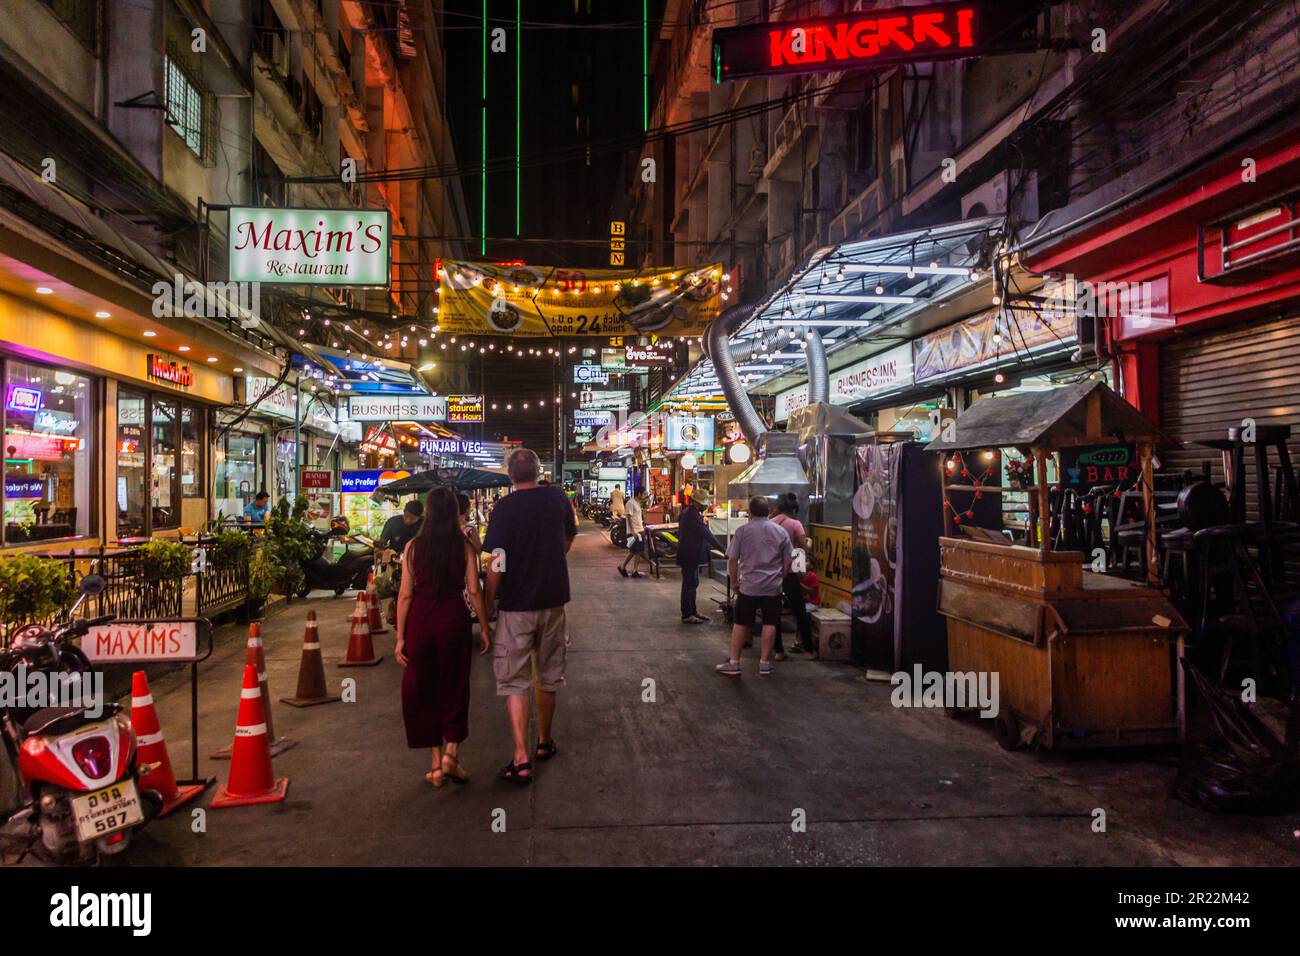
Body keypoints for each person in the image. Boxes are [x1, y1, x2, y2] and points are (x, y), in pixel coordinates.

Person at [483, 448, 577, 785]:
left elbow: (497, 560)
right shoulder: (557, 499)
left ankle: (521, 758)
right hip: (553, 602)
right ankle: (544, 742)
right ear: (539, 472)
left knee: (514, 679)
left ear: (510, 475)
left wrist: (487, 602)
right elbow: (569, 535)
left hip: (516, 606)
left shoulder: (504, 508)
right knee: (549, 674)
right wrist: (550, 560)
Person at [395, 486, 490, 788]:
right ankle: (451, 754)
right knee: (454, 684)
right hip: (452, 619)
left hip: (421, 622)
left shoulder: (412, 547)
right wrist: (485, 626)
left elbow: (405, 595)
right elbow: (474, 590)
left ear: (428, 513)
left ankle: (436, 766)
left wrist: (400, 637)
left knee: (423, 688)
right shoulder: (462, 547)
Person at [717, 496, 791, 678]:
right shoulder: (780, 532)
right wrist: (780, 577)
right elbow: (789, 560)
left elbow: (732, 560)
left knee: (741, 623)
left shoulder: (742, 531)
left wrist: (734, 581)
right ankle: (765, 663)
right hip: (772, 587)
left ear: (749, 513)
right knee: (770, 623)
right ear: (768, 512)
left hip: (748, 586)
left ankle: (734, 663)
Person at [772, 493, 815, 659]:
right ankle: (809, 650)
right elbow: (804, 547)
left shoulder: (770, 523)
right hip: (789, 573)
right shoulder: (795, 523)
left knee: (774, 611)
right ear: (794, 510)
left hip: (772, 573)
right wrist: (807, 543)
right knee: (799, 611)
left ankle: (779, 651)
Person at [676, 491, 724, 623]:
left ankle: (692, 611)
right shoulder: (691, 516)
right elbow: (707, 535)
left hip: (690, 554)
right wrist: (724, 549)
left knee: (692, 583)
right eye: (703, 504)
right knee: (689, 585)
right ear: (696, 502)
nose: (705, 506)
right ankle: (687, 614)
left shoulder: (690, 513)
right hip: (689, 554)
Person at [618, 490, 651, 578]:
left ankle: (632, 570)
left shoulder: (638, 503)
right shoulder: (630, 502)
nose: (644, 496)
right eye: (644, 494)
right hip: (635, 531)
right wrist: (632, 531)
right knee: (635, 551)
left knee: (636, 551)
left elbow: (637, 516)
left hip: (640, 529)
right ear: (639, 493)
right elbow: (628, 516)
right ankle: (628, 569)